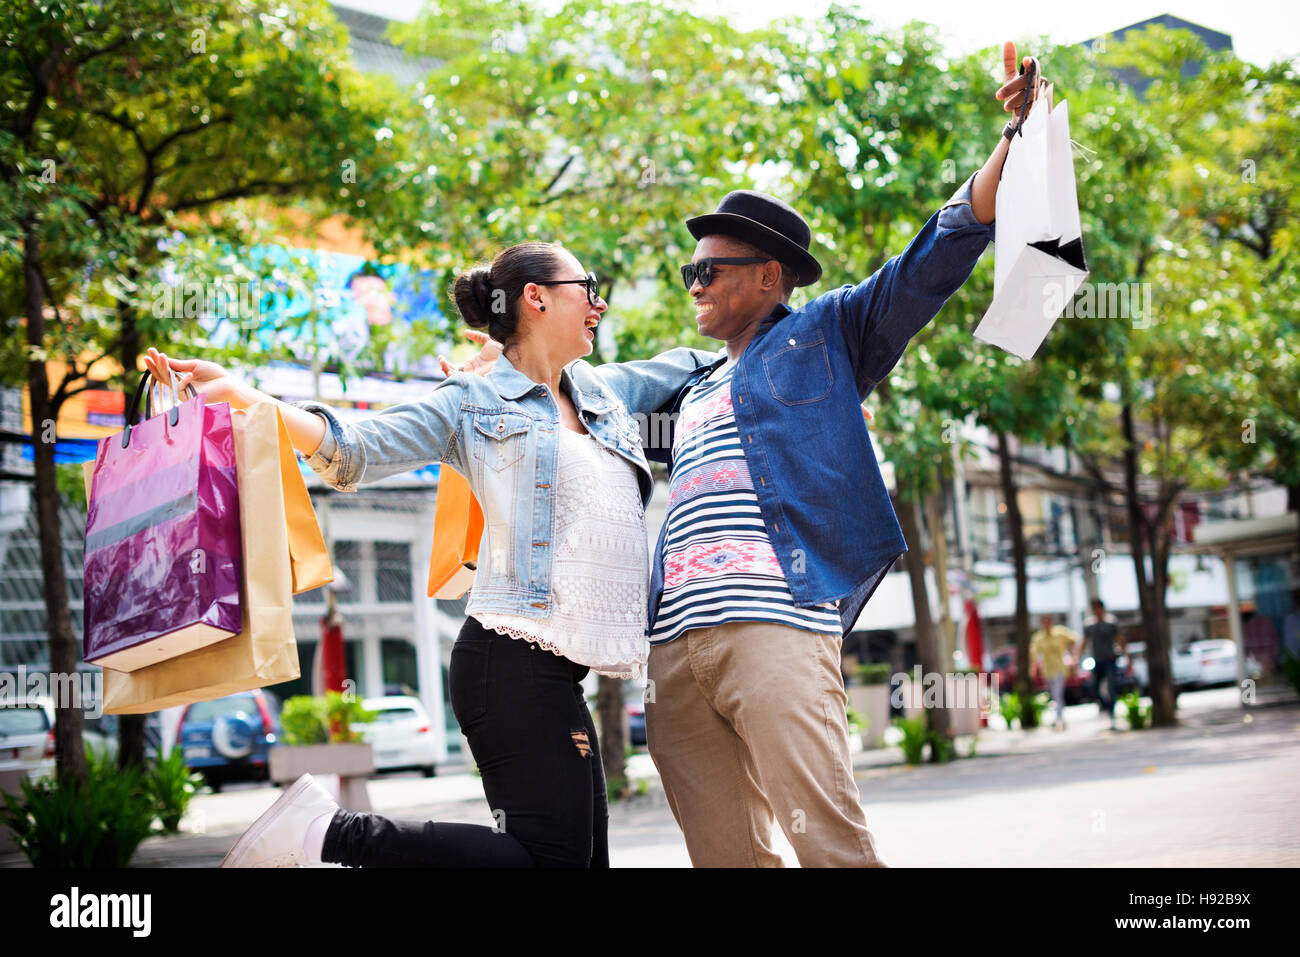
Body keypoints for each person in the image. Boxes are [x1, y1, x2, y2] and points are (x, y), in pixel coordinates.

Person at [145, 241, 713, 867]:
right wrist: (245, 395)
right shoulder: (471, 404)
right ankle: (328, 835)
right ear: (537, 296)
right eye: (588, 285)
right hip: (511, 659)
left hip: (559, 672)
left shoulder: (606, 392)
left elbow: (695, 366)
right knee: (549, 862)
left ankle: (327, 835)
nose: (599, 302)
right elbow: (354, 449)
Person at [630, 42, 1045, 867]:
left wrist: (1016, 140)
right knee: (725, 858)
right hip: (676, 648)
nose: (696, 284)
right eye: (691, 271)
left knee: (829, 848)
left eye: (711, 268)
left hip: (775, 625)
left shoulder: (829, 334)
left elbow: (935, 256)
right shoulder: (695, 386)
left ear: (770, 277)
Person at [1076, 599, 1126, 731]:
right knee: (1094, 689)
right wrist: (1077, 658)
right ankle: (1106, 707)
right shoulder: (1089, 624)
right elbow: (1084, 642)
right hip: (1097, 660)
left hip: (1110, 659)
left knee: (1111, 688)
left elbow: (1120, 639)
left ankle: (1112, 714)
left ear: (1102, 608)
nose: (1096, 611)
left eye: (1098, 608)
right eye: (1094, 609)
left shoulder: (1111, 622)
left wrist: (1127, 655)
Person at [1030, 614, 1079, 731]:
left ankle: (1059, 720)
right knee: (1054, 695)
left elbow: (1074, 639)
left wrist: (1072, 656)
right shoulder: (1039, 637)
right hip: (1047, 670)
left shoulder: (1060, 632)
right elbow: (1034, 654)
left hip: (1059, 668)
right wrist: (1033, 668)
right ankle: (1059, 717)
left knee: (1058, 694)